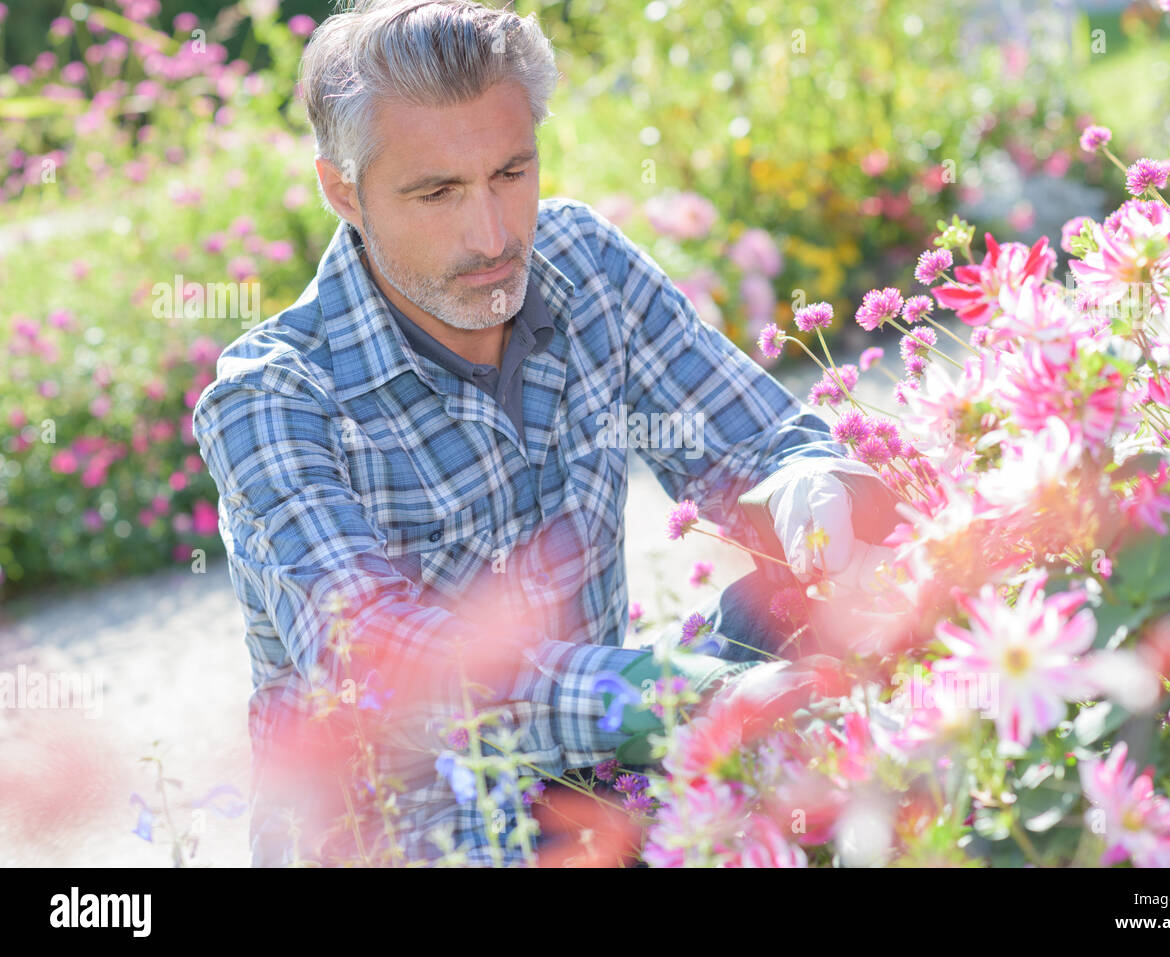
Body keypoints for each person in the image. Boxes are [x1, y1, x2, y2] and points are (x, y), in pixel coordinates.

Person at [192, 0, 894, 867]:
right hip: (412, 830)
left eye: (510, 172)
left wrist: (809, 489)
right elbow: (386, 669)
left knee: (852, 585)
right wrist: (680, 694)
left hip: (603, 769)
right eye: (437, 192)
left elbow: (755, 444)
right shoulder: (272, 398)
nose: (491, 235)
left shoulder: (583, 265)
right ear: (344, 190)